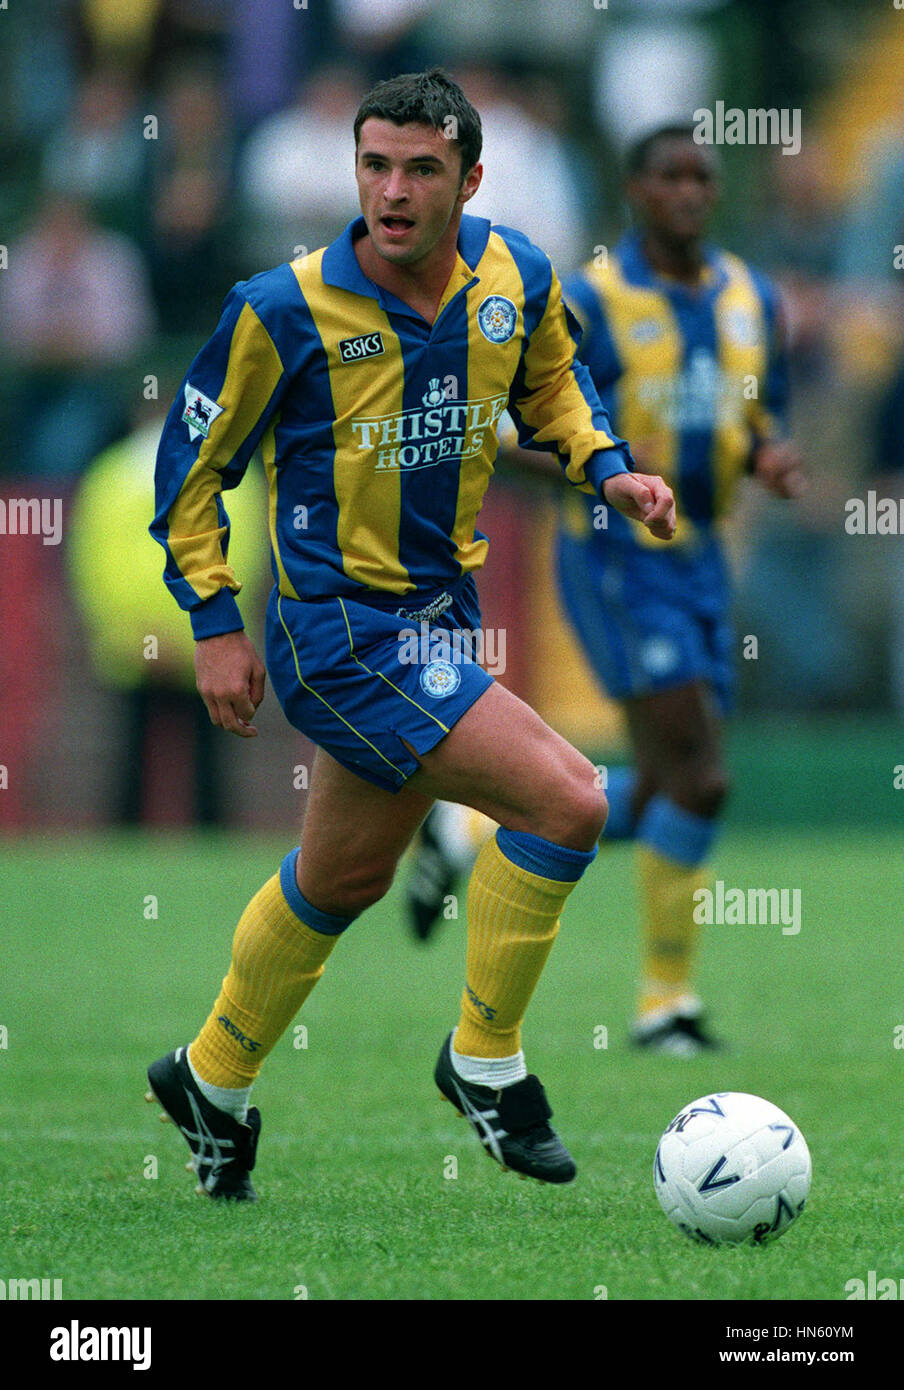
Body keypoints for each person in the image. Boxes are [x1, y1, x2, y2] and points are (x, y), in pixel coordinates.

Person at [145, 69, 675, 1200]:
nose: (392, 190)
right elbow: (192, 471)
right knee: (571, 797)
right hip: (338, 632)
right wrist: (212, 623)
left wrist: (609, 466)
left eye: (421, 169)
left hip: (441, 621)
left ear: (469, 180)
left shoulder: (514, 275)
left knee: (342, 875)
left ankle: (212, 1074)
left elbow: (556, 384)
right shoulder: (279, 308)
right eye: (374, 165)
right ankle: (484, 1061)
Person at [408, 124, 804, 1057]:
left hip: (705, 556)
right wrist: (611, 472)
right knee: (702, 776)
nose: (689, 192)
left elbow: (760, 413)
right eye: (668, 175)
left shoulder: (755, 296)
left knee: (674, 783)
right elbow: (508, 433)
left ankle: (467, 827)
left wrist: (770, 457)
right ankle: (665, 1005)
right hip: (617, 556)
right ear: (634, 189)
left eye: (703, 175)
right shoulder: (590, 299)